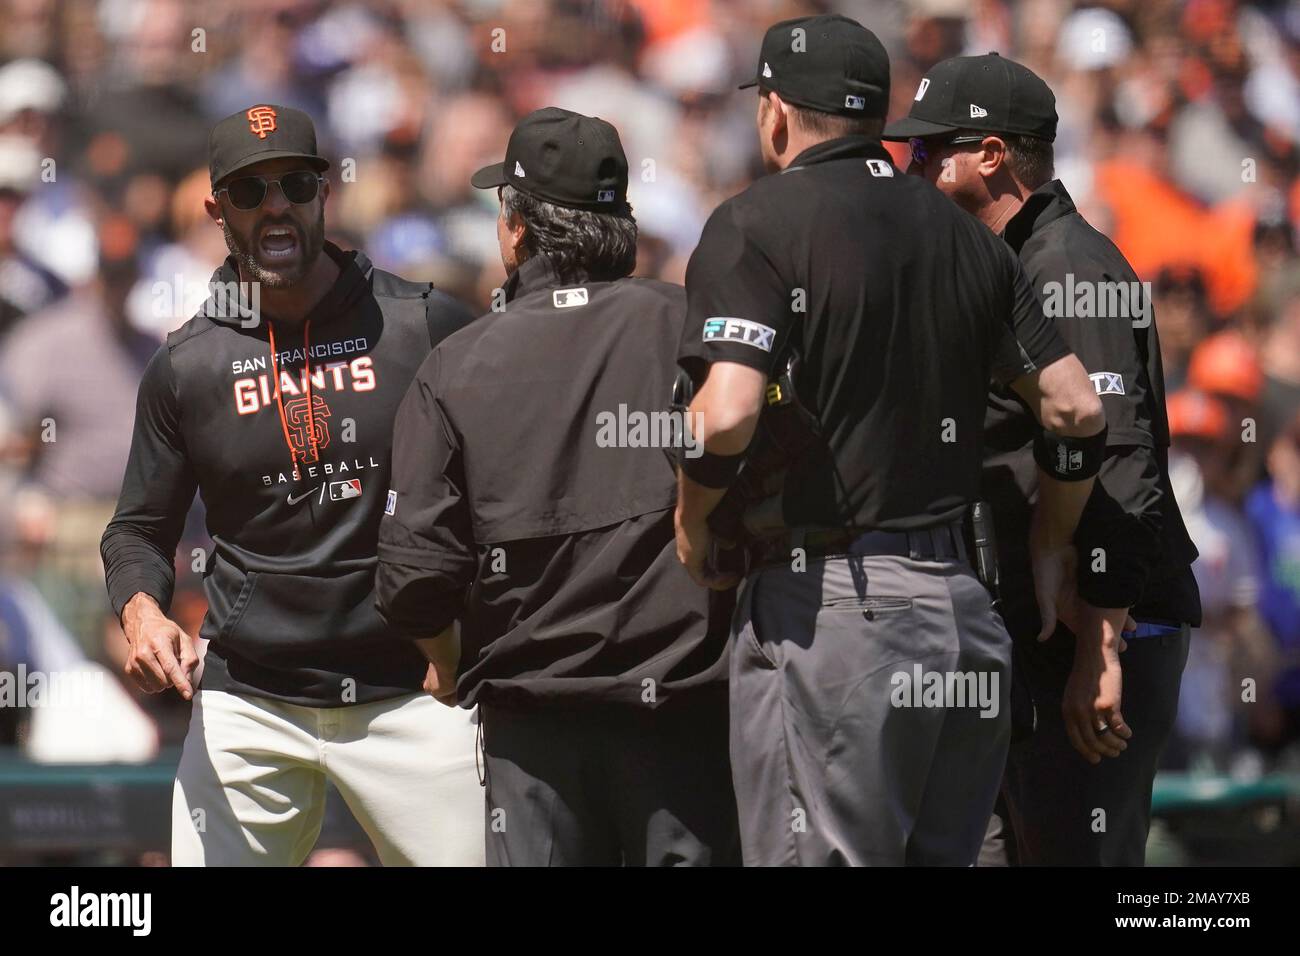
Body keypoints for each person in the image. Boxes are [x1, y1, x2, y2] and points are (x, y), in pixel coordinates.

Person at [674, 15, 1106, 866]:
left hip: (832, 612)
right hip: (963, 609)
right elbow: (1075, 408)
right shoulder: (965, 236)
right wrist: (1053, 541)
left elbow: (723, 416)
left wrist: (691, 523)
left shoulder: (755, 222)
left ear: (774, 112)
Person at [100, 104, 483, 866]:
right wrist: (142, 614)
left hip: (417, 689)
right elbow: (138, 529)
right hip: (251, 700)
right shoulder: (187, 367)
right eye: (249, 191)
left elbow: (511, 469)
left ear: (324, 194)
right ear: (215, 208)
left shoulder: (422, 324)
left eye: (294, 184)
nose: (275, 205)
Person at [375, 107, 737, 867]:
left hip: (532, 735)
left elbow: (414, 573)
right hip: (686, 721)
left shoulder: (458, 363)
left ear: (516, 227)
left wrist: (444, 657)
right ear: (624, 224)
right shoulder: (692, 326)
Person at [884, 53, 1202, 865]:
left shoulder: (1062, 264)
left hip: (1102, 629)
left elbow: (1119, 456)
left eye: (929, 150)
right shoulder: (1010, 263)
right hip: (1049, 627)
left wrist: (1098, 645)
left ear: (991, 155)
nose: (912, 166)